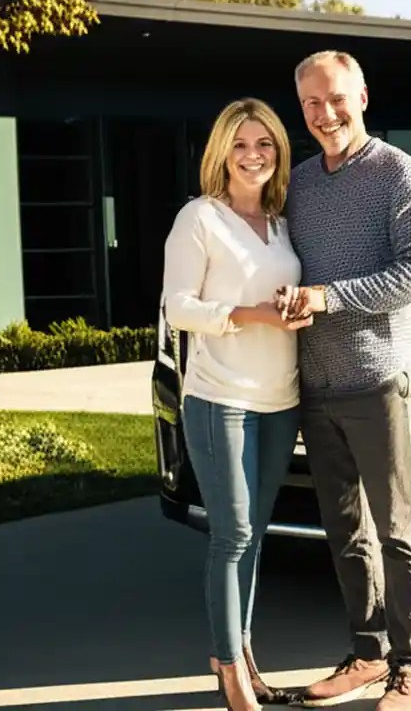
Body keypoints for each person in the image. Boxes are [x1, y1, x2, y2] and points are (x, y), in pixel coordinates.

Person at [277, 50, 411, 711]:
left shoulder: (402, 176)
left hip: (381, 379)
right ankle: (368, 654)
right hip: (316, 385)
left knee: (399, 528)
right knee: (344, 530)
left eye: (336, 98)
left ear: (364, 95)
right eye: (312, 104)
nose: (326, 114)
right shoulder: (300, 184)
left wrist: (327, 298)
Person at [160, 97, 311, 711]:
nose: (253, 156)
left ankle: (244, 652)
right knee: (234, 531)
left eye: (265, 144)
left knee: (255, 537)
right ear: (221, 151)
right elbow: (178, 307)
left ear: (278, 152)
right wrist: (250, 315)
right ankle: (229, 672)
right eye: (241, 145)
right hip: (220, 396)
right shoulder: (199, 218)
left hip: (281, 399)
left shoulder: (281, 222)